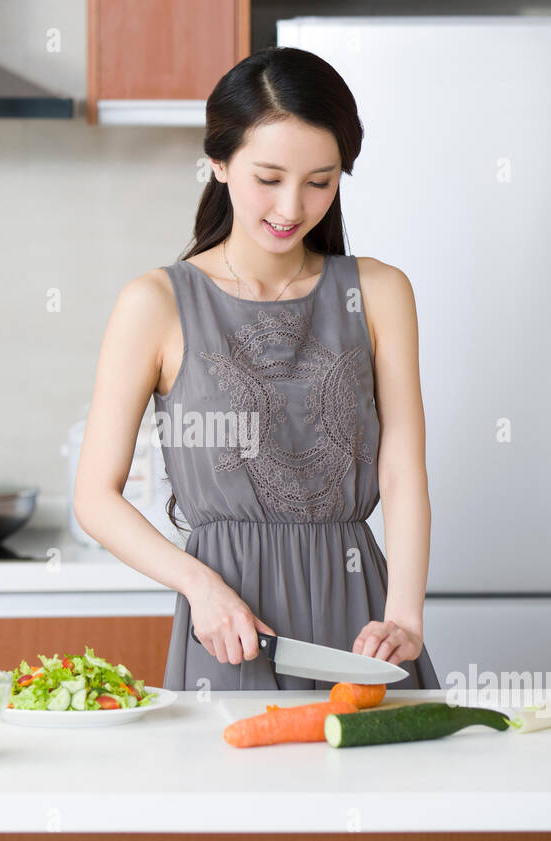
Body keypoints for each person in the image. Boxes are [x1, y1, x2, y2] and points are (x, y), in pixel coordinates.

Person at [73, 46, 440, 693]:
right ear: (218, 161)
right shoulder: (154, 304)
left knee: (383, 788)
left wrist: (405, 615)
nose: (292, 207)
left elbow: (403, 467)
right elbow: (94, 497)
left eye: (319, 181)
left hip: (363, 624)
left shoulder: (381, 291)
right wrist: (198, 585)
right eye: (268, 178)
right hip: (232, 622)